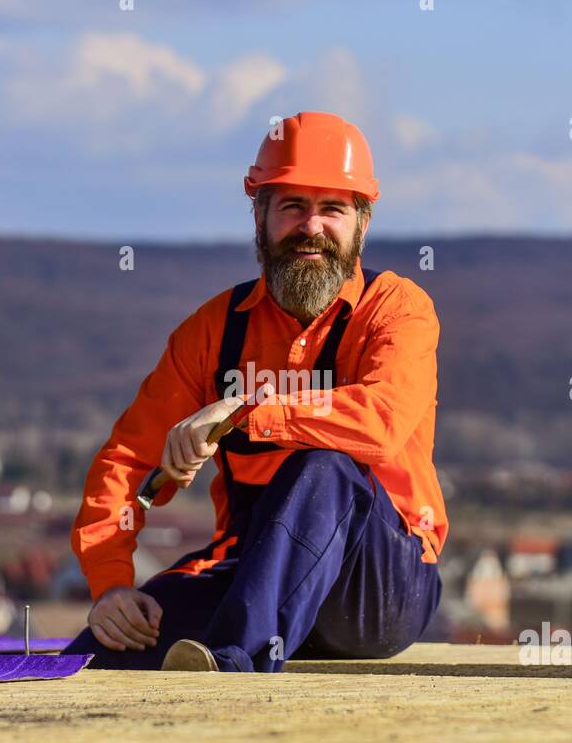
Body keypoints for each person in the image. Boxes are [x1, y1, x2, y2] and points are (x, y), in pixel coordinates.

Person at [61, 111, 448, 671]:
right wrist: (111, 586)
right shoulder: (216, 330)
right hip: (252, 571)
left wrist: (246, 412)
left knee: (327, 469)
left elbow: (382, 423)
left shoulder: (396, 310)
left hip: (376, 589)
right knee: (103, 651)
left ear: (362, 222)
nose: (311, 228)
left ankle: (233, 661)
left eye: (332, 209)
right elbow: (125, 462)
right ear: (260, 215)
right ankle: (211, 652)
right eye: (292, 206)